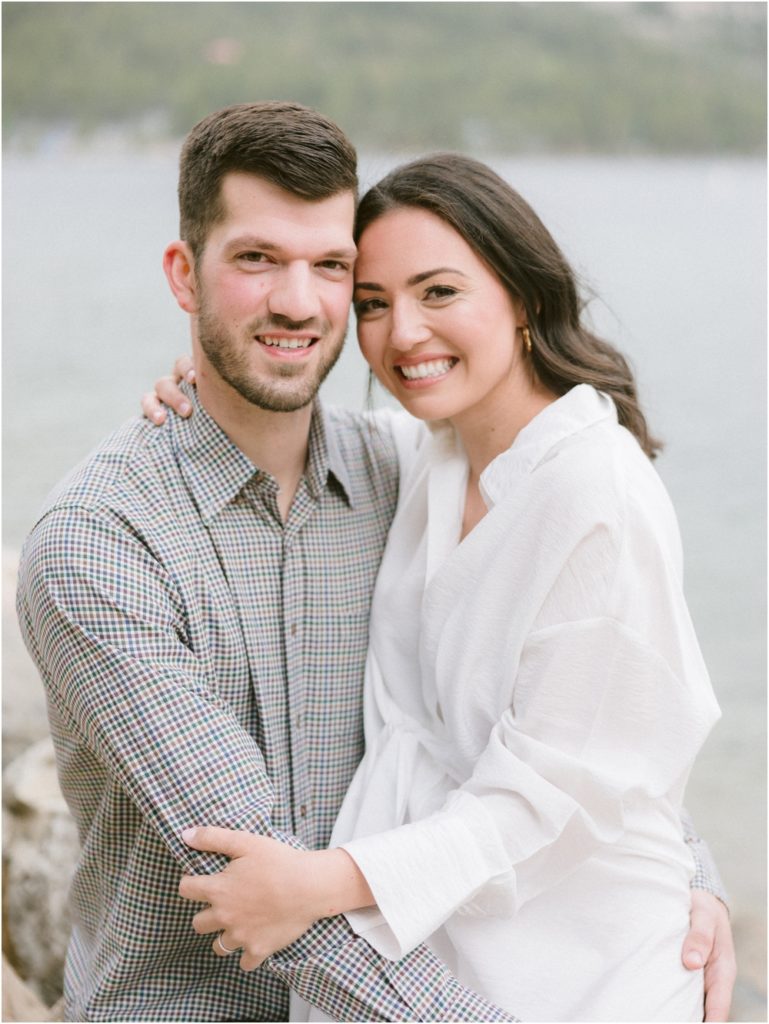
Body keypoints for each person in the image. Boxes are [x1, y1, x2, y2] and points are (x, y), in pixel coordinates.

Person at [148, 153, 734, 1021]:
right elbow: (296, 416)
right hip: (449, 943)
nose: (402, 335)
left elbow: (557, 793)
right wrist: (203, 377)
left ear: (524, 294)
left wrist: (319, 883)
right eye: (375, 304)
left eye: (439, 292)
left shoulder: (591, 493)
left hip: (583, 965)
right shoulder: (431, 454)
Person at [16, 102, 519, 1023]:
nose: (298, 302)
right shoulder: (99, 545)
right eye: (256, 260)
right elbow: (261, 883)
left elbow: (560, 674)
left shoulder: (403, 474)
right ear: (184, 273)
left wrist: (671, 863)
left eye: (329, 266)